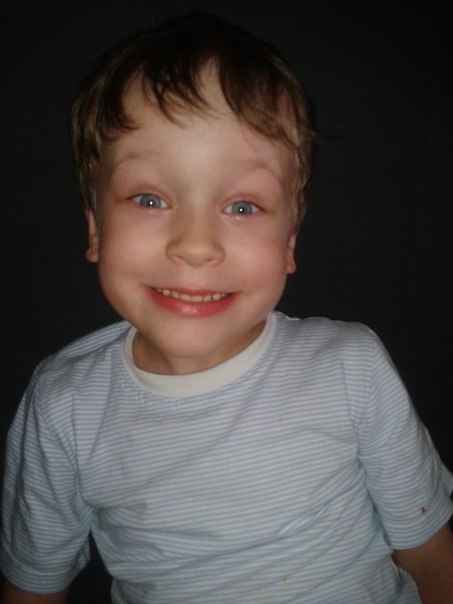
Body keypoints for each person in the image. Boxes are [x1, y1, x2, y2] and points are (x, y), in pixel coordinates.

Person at [1, 12, 452, 604]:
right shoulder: (63, 407)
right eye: (149, 197)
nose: (195, 245)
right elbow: (34, 587)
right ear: (95, 226)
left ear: (289, 242)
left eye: (242, 206)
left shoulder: (353, 367)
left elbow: (429, 552)